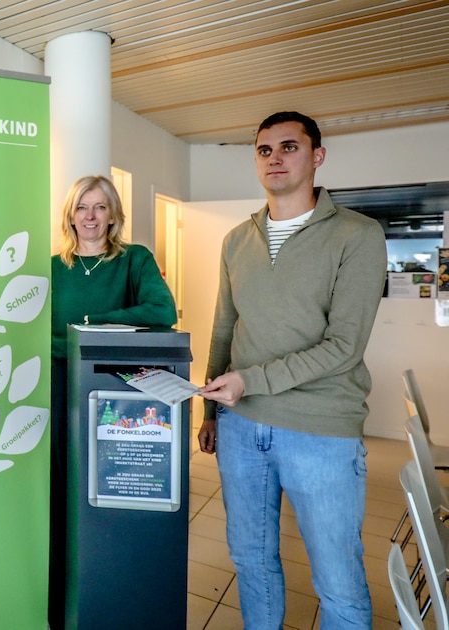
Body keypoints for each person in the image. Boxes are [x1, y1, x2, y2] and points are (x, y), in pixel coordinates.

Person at [198, 111, 386, 628]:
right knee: (252, 563)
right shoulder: (237, 239)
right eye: (264, 150)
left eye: (288, 147)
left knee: (337, 580)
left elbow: (344, 346)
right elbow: (223, 329)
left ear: (316, 156)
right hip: (240, 428)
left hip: (321, 431)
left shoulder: (358, 235)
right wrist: (210, 411)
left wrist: (249, 381)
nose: (274, 158)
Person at [47, 174, 177, 627]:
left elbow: (162, 313)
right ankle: (58, 599)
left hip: (111, 392)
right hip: (57, 387)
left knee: (106, 492)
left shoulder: (134, 260)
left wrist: (89, 324)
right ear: (70, 214)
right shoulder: (50, 267)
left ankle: (105, 587)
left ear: (114, 215)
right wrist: (76, 338)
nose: (91, 216)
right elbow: (33, 333)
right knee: (60, 491)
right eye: (82, 207)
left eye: (100, 207)